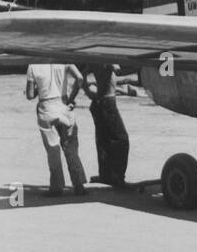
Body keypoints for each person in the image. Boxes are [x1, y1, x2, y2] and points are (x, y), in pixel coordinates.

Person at [25, 62, 87, 197]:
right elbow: (80, 78)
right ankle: (79, 185)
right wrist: (72, 98)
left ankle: (57, 187)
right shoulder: (63, 59)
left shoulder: (33, 66)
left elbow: (29, 95)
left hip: (46, 107)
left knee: (53, 150)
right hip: (64, 104)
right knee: (71, 148)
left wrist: (39, 89)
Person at [84, 63, 130, 188]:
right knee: (122, 139)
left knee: (103, 140)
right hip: (107, 103)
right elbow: (118, 69)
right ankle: (118, 177)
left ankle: (106, 175)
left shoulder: (96, 59)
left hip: (100, 101)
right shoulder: (108, 60)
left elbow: (83, 73)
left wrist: (88, 91)